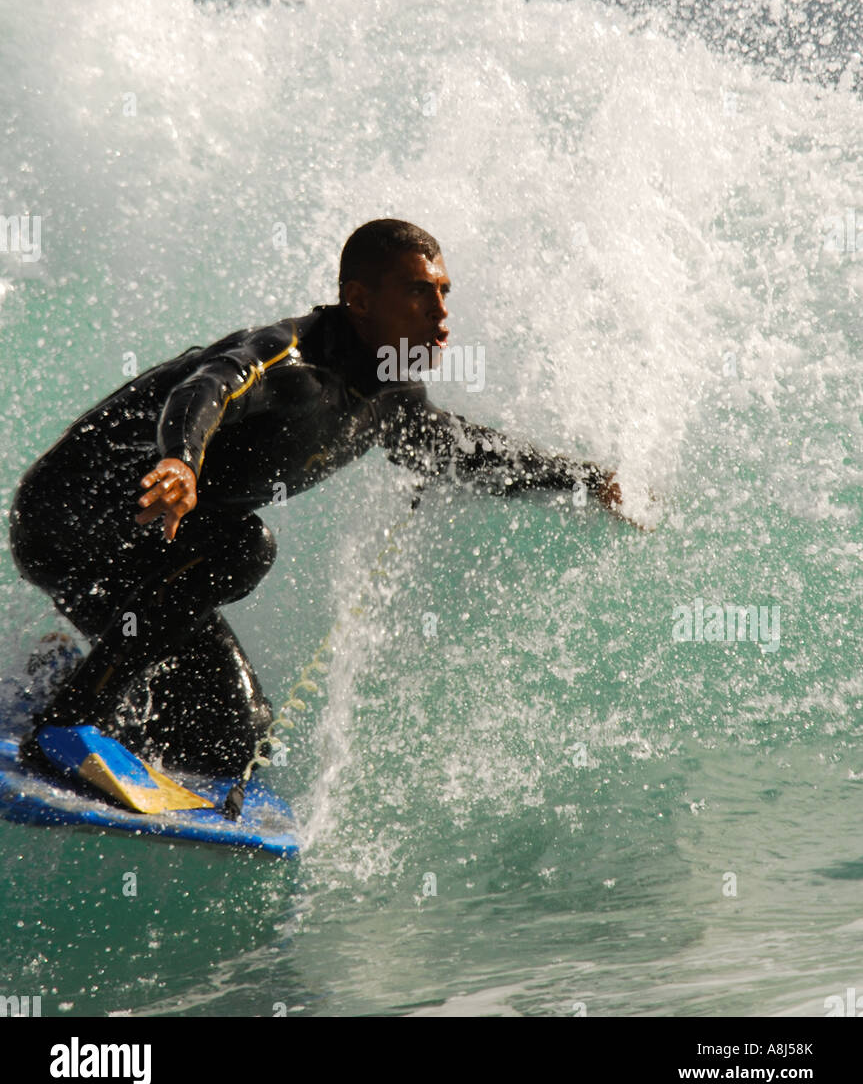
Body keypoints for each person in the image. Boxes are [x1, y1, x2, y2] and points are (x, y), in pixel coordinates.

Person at [9, 218, 625, 784]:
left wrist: (583, 480)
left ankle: (58, 681)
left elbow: (454, 450)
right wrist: (181, 460)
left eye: (443, 292)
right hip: (68, 521)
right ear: (359, 300)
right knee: (244, 546)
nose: (440, 313)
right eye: (418, 292)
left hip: (154, 554)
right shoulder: (289, 359)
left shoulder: (389, 391)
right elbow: (206, 385)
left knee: (235, 742)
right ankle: (66, 724)